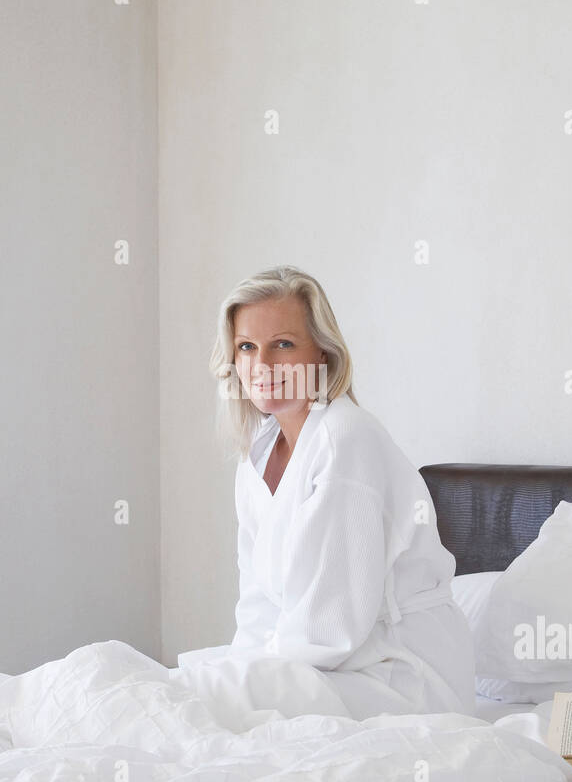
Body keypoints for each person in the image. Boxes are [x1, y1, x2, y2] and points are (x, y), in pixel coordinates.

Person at [176, 265, 475, 722]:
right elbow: (258, 605)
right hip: (321, 662)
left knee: (203, 695)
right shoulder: (256, 453)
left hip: (399, 673)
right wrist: (242, 669)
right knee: (188, 683)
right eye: (247, 347)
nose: (262, 365)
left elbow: (329, 628)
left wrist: (249, 683)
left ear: (322, 352)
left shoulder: (344, 439)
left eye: (283, 344)